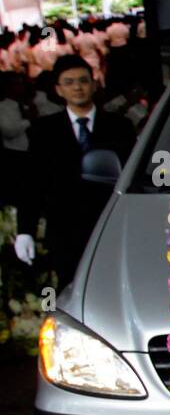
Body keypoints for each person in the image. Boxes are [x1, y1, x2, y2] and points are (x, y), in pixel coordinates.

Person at [17, 55, 135, 285]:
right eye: (69, 82)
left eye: (83, 80)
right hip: (65, 231)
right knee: (72, 293)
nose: (77, 87)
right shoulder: (44, 131)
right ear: (59, 90)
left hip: (112, 224)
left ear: (93, 83)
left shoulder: (119, 126)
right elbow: (32, 183)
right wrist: (25, 230)